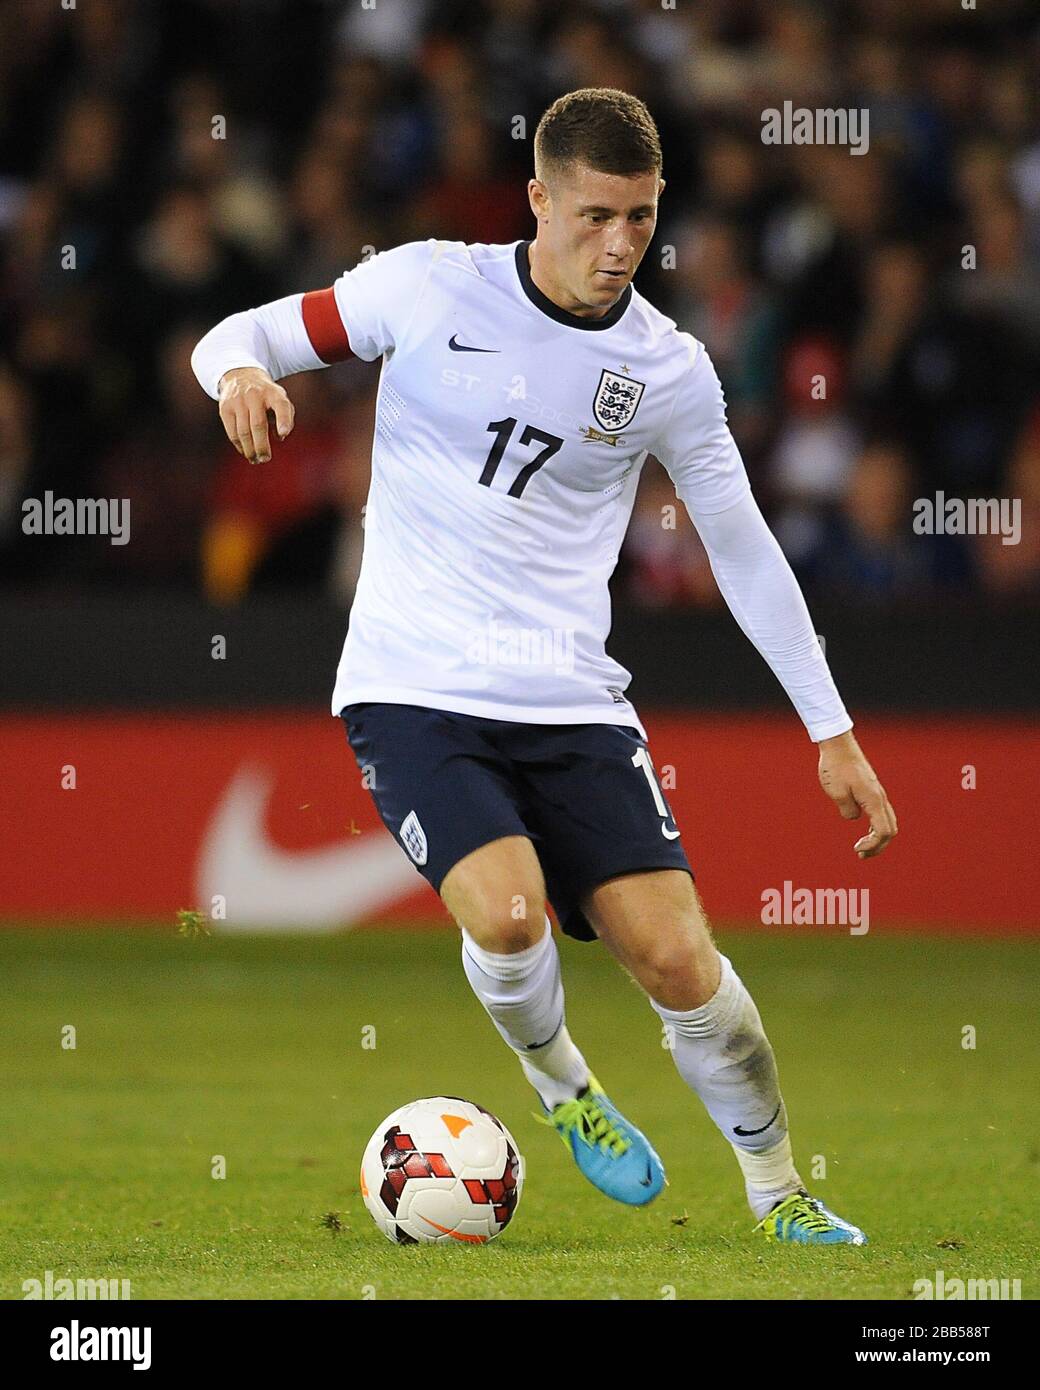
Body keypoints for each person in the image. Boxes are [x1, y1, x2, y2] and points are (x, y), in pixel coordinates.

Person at [191, 88, 897, 1244]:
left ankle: (779, 1192)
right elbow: (242, 334)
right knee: (510, 916)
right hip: (413, 684)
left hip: (570, 698)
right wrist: (236, 380)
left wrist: (830, 729)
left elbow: (742, 547)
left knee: (678, 959)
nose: (619, 243)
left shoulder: (665, 367)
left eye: (640, 217)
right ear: (536, 199)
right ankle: (565, 1089)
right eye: (595, 214)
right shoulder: (426, 285)